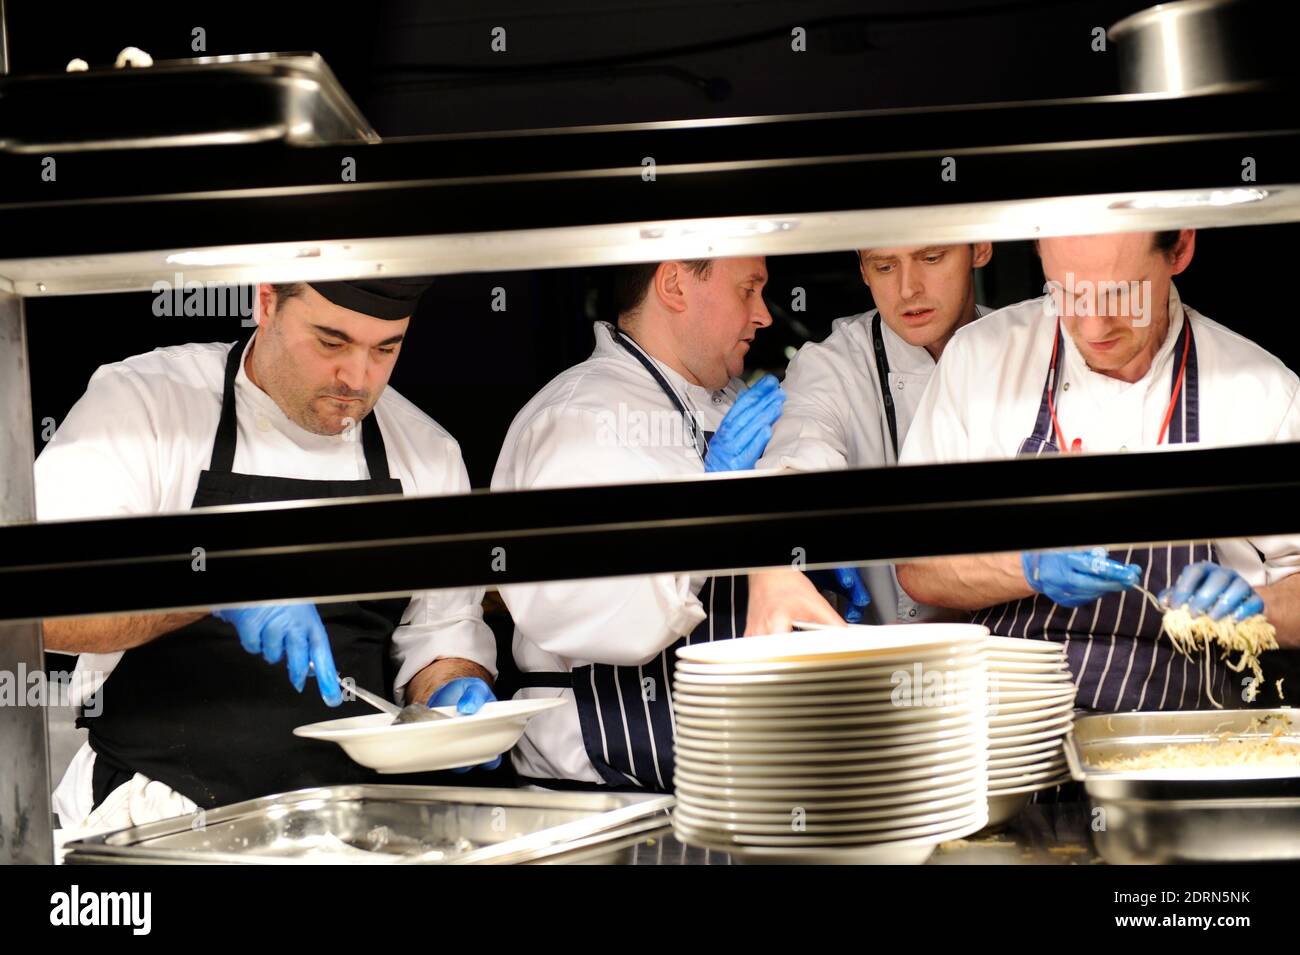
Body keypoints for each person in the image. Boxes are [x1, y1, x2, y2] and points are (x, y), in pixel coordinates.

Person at [38, 279, 498, 831]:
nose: (357, 378)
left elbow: (439, 636)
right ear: (265, 302)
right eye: (330, 343)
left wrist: (450, 693)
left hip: (351, 829)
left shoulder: (428, 453)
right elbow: (39, 604)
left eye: (386, 349)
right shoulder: (145, 405)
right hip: (157, 817)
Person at [896, 231, 1300, 710]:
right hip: (1006, 730)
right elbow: (918, 565)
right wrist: (1027, 568)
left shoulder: (1261, 390)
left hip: (1185, 735)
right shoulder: (982, 359)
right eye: (1065, 295)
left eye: (1120, 294)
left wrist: (1260, 606)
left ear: (1180, 250)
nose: (1091, 328)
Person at [492, 257, 783, 790]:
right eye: (748, 290)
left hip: (725, 788)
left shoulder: (730, 402)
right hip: (607, 801)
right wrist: (706, 504)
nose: (763, 315)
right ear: (674, 284)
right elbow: (599, 609)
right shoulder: (581, 420)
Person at [748, 243, 993, 633]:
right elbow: (799, 454)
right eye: (884, 266)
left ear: (979, 249)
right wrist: (774, 567)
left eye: (931, 259)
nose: (908, 289)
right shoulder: (834, 365)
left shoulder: (1024, 346)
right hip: (888, 660)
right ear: (862, 269)